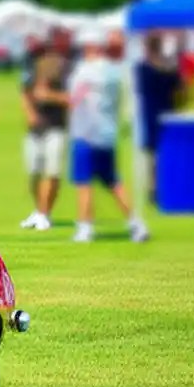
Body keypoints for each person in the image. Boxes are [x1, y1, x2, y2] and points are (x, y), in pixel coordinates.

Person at [67, 28, 149, 243]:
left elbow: (74, 99)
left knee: (84, 183)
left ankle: (85, 228)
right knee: (114, 182)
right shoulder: (114, 71)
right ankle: (136, 224)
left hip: (85, 132)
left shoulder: (84, 71)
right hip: (106, 133)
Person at [19, 31, 71, 230]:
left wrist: (50, 96)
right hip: (35, 128)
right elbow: (25, 92)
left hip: (56, 125)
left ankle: (44, 213)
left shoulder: (67, 67)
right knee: (34, 172)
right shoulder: (33, 65)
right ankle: (38, 210)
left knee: (53, 171)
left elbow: (73, 97)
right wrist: (30, 113)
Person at [134, 33, 182, 203]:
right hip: (156, 112)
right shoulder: (145, 68)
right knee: (156, 153)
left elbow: (176, 84)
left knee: (158, 153)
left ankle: (155, 188)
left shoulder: (146, 68)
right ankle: (155, 188)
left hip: (161, 113)